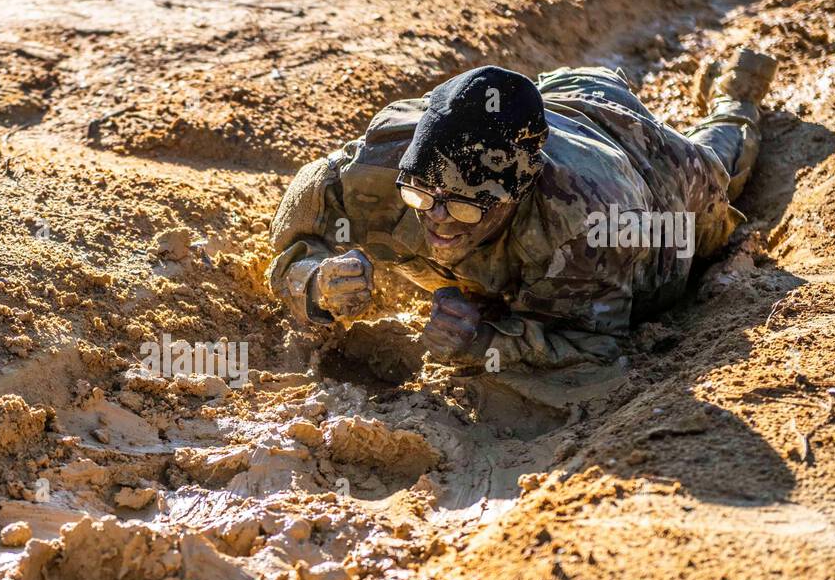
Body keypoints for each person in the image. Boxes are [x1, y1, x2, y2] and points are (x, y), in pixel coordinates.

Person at [266, 49, 778, 370]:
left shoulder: (590, 224)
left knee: (716, 170)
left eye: (465, 209)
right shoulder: (373, 169)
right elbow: (292, 242)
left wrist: (485, 341)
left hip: (644, 168)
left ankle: (736, 98)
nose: (436, 220)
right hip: (540, 100)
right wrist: (314, 281)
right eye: (421, 197)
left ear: (514, 197)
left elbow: (594, 346)